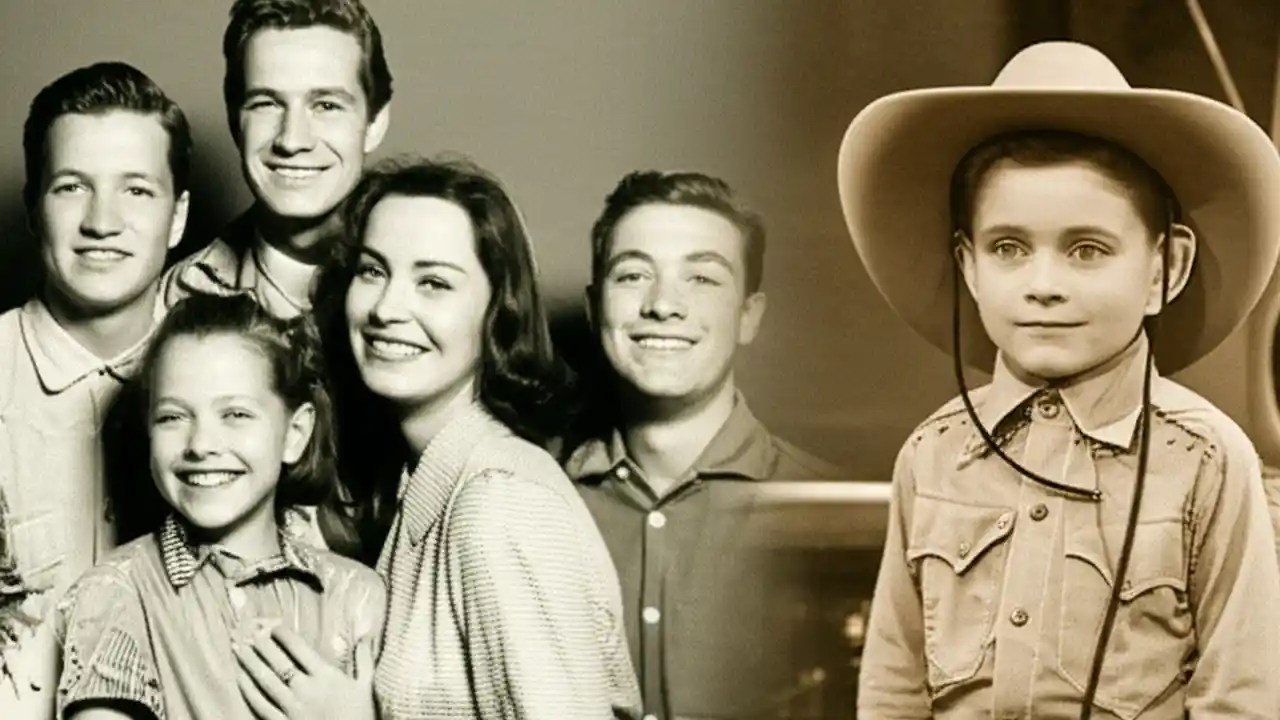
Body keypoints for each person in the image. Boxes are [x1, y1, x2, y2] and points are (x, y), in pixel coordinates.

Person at [840, 41, 1280, 717]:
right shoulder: (932, 456)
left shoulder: (1208, 463)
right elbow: (892, 689)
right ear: (968, 266)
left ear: (1166, 268)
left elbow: (1242, 699)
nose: (1043, 286)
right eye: (1009, 249)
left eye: (1087, 251)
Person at [235, 157, 641, 719]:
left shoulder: (498, 502)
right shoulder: (428, 485)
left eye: (433, 283)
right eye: (374, 271)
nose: (386, 309)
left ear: (496, 312)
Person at [564, 170, 844, 719]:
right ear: (598, 307)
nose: (663, 304)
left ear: (748, 315)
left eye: (702, 279)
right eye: (633, 275)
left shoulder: (825, 511)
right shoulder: (534, 502)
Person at [54, 293, 385, 720]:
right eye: (173, 417)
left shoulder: (356, 595)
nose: (201, 445)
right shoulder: (116, 593)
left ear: (295, 434)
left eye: (235, 414)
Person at [0, 61, 191, 716]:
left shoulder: (242, 385)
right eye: (72, 187)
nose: (102, 221)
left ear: (179, 216)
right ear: (32, 209)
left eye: (137, 190)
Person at [162, 0, 392, 320]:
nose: (292, 140)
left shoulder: (439, 271)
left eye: (326, 105)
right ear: (235, 121)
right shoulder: (181, 299)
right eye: (266, 104)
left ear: (375, 122)